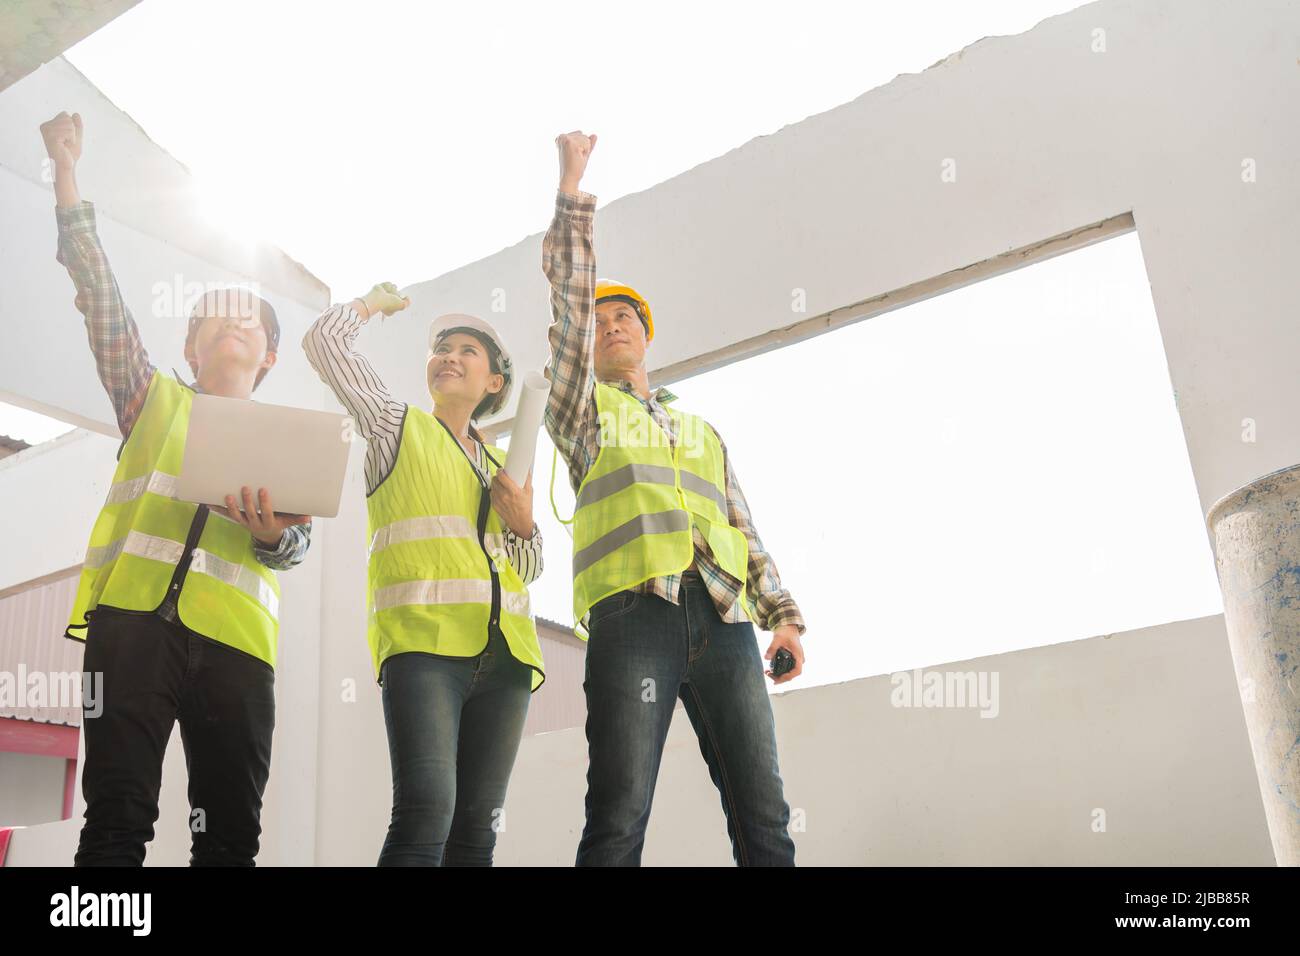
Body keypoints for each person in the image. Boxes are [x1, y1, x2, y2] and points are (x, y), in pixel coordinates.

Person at [41, 111, 313, 866]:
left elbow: (295, 548)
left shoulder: (291, 440)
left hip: (239, 648)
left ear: (266, 359)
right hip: (132, 630)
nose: (235, 324)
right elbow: (98, 295)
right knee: (116, 820)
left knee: (229, 836)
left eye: (252, 322)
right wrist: (66, 177)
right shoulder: (148, 397)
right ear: (190, 345)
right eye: (216, 318)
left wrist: (271, 535)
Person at [543, 130, 807, 866]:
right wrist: (572, 193)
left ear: (646, 336)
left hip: (725, 619)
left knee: (765, 815)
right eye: (597, 324)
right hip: (633, 618)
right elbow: (566, 312)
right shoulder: (584, 413)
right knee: (619, 816)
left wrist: (782, 619)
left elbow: (743, 528)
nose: (608, 325)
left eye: (623, 317)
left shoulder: (700, 430)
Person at [303, 283, 546, 866]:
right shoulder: (395, 427)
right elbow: (323, 342)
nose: (449, 357)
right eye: (442, 349)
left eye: (467, 351)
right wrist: (369, 305)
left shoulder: (501, 466)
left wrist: (524, 524)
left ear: (494, 383)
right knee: (425, 812)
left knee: (477, 834)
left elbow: (529, 569)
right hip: (423, 647)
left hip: (507, 658)